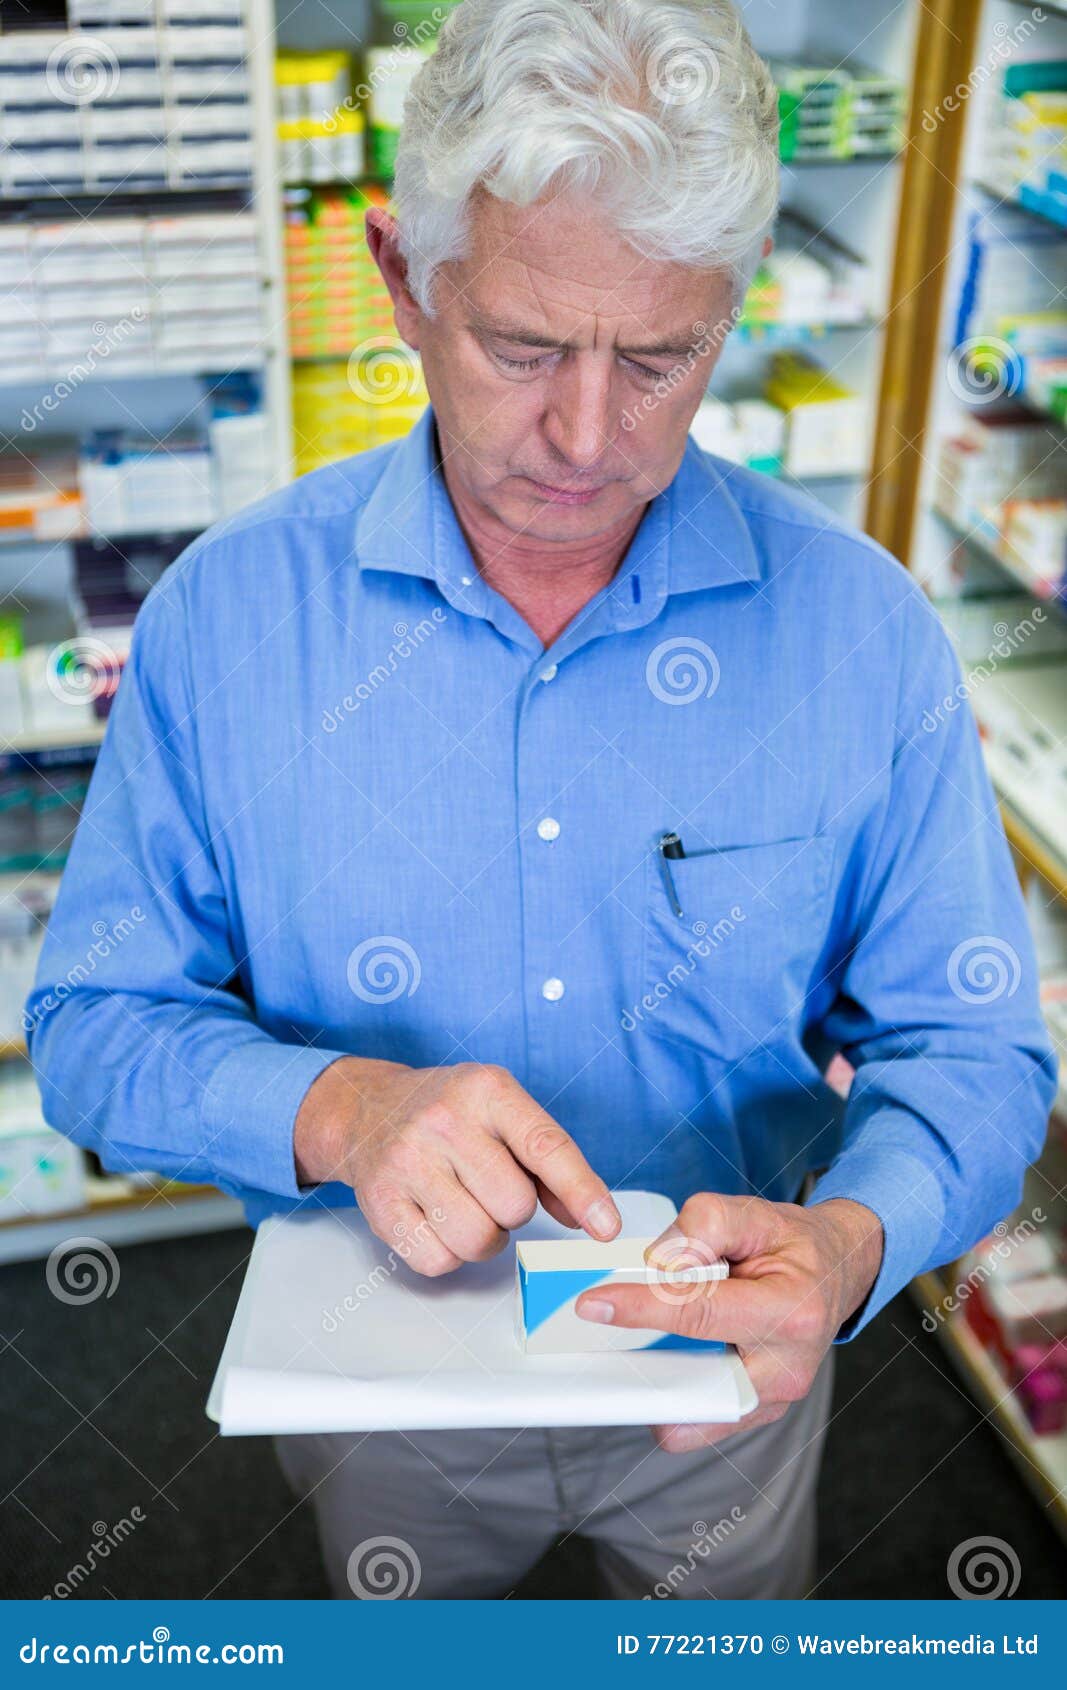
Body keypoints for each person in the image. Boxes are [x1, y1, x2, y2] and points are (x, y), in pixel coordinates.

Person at [29, 0, 1054, 1601]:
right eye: (523, 347)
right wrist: (338, 1110)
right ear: (401, 281)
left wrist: (853, 1243)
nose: (589, 435)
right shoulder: (232, 621)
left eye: (661, 357)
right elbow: (93, 1023)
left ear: (730, 312)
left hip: (729, 1386)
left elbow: (976, 1044)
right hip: (378, 1380)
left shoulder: (860, 633)